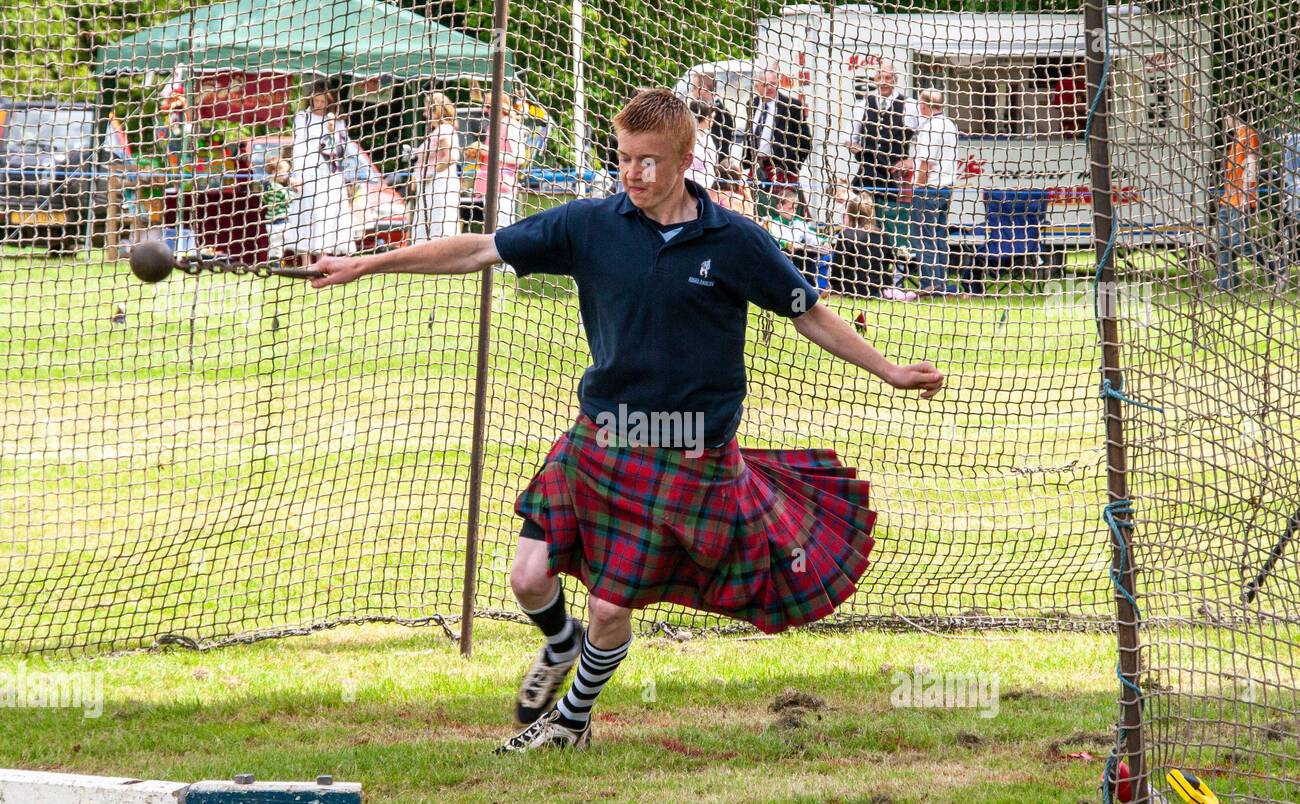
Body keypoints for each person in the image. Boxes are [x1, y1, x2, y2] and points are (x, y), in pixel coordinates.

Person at [308, 89, 944, 753]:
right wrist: (365, 264)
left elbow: (808, 312)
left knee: (611, 606)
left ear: (685, 161)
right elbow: (478, 250)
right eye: (623, 158)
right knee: (527, 578)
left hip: (690, 452)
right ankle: (562, 645)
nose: (632, 173)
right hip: (603, 436)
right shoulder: (590, 225)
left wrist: (892, 372)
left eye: (648, 161)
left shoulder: (734, 241)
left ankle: (573, 724)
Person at [844, 62, 918, 256]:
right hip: (867, 175)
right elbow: (850, 139)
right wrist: (862, 155)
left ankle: (895, 271)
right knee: (862, 221)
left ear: (895, 79)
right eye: (880, 78)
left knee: (894, 228)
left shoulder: (910, 105)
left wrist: (912, 161)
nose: (883, 82)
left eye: (888, 78)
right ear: (874, 80)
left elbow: (927, 135)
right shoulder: (861, 105)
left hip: (895, 178)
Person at [284, 81, 357, 261]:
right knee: (307, 214)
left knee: (327, 215)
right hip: (309, 172)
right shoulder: (303, 117)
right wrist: (297, 174)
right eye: (316, 100)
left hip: (330, 174)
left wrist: (334, 131)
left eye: (323, 101)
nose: (319, 105)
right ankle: (305, 263)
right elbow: (299, 146)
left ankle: (324, 260)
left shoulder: (338, 121)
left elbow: (345, 150)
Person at [908, 88, 962, 295]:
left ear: (924, 105)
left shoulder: (930, 128)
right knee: (938, 236)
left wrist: (917, 188)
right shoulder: (949, 125)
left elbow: (925, 164)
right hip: (946, 188)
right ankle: (940, 282)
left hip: (929, 189)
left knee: (922, 237)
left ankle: (930, 284)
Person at [1216, 105, 1275, 292]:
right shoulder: (1236, 138)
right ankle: (1227, 286)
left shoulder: (1249, 135)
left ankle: (1275, 269)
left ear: (1232, 117)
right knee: (1223, 243)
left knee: (1241, 244)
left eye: (1226, 117)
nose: (1224, 121)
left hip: (1239, 198)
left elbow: (1252, 167)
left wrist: (1245, 195)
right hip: (1227, 198)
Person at [744, 66, 812, 218]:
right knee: (754, 211)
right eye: (765, 85)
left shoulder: (791, 106)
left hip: (782, 170)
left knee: (786, 214)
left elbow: (806, 143)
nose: (769, 88)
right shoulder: (751, 104)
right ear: (757, 86)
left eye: (773, 84)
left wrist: (791, 166)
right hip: (757, 169)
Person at [830, 192, 917, 302]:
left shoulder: (846, 235)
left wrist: (833, 285)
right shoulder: (882, 235)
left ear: (850, 214)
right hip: (877, 288)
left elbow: (837, 268)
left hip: (850, 288)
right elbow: (888, 262)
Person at [410, 92, 461, 241]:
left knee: (439, 226)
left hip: (440, 186)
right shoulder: (437, 131)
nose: (424, 114)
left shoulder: (445, 129)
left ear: (437, 110)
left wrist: (431, 173)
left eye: (427, 109)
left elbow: (452, 156)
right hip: (430, 187)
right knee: (427, 225)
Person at [469, 97, 527, 229]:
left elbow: (520, 158)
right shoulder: (493, 126)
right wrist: (478, 153)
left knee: (502, 229)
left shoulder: (510, 125)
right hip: (489, 185)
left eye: (489, 107)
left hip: (503, 186)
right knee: (492, 229)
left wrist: (488, 151)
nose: (485, 110)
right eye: (485, 106)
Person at [764, 185, 831, 287]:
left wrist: (823, 242)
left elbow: (811, 237)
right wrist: (787, 244)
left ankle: (815, 286)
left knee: (813, 259)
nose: (794, 211)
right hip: (783, 257)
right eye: (790, 208)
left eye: (795, 208)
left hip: (800, 255)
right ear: (779, 207)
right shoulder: (773, 223)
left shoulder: (799, 223)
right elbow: (775, 239)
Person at [688, 69, 739, 163]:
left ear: (703, 88)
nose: (692, 91)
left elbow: (721, 148)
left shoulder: (722, 113)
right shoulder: (694, 109)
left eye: (694, 87)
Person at [262, 158, 296, 262]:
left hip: (271, 222)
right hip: (279, 222)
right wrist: (292, 188)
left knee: (275, 245)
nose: (286, 176)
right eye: (284, 173)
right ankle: (274, 263)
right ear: (275, 172)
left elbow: (264, 199)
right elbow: (289, 198)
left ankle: (274, 261)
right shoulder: (278, 188)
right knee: (278, 245)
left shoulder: (268, 186)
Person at [685, 98, 723, 192]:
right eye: (712, 118)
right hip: (691, 188)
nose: (713, 121)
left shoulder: (707, 134)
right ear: (707, 118)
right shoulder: (688, 136)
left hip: (708, 188)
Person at [1280, 125, 1300, 290]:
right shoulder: (1293, 140)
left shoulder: (1291, 140)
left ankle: (1282, 277)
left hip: (1293, 200)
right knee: (1288, 237)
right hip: (1295, 198)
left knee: (1287, 238)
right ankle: (1282, 276)